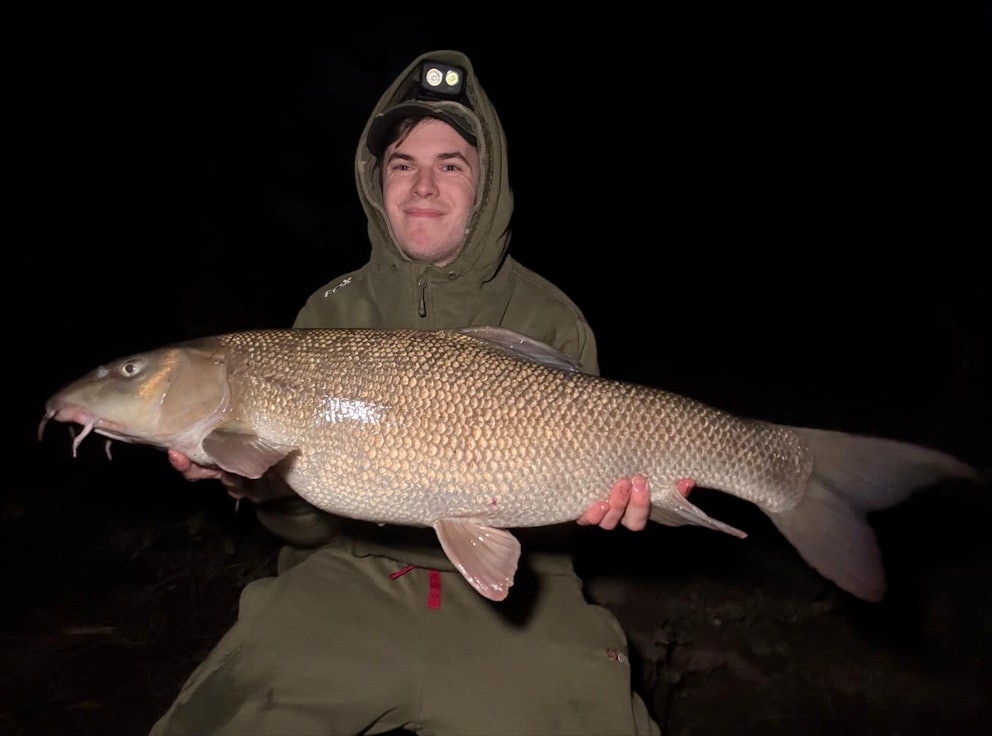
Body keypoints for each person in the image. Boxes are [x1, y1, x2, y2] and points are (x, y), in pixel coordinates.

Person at [151, 49, 659, 736]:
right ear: (375, 182)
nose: (422, 186)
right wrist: (257, 487)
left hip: (521, 599)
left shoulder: (551, 317)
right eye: (401, 165)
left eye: (450, 165)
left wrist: (600, 506)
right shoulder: (328, 313)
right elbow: (305, 524)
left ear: (487, 185)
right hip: (344, 581)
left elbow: (560, 529)